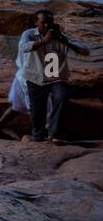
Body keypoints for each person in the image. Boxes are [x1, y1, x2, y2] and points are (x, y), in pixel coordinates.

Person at [19, 10, 91, 143]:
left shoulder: (60, 35)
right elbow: (24, 47)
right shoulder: (29, 34)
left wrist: (63, 40)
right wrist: (45, 41)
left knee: (62, 97)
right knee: (37, 110)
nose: (47, 25)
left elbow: (85, 51)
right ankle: (38, 138)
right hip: (36, 76)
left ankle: (54, 134)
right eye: (43, 22)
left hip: (56, 76)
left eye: (49, 22)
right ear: (36, 23)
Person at [0, 36, 32, 140]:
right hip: (28, 78)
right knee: (36, 104)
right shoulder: (30, 36)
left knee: (18, 106)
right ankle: (41, 133)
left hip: (26, 77)